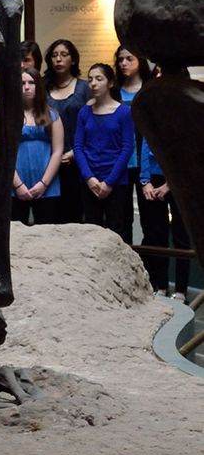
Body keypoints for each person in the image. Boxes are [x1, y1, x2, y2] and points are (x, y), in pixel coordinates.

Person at [74, 63, 134, 237]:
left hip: (115, 181)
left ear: (110, 83)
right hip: (89, 180)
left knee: (116, 230)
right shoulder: (84, 112)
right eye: (90, 79)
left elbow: (127, 148)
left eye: (99, 79)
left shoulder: (124, 112)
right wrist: (89, 178)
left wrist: (109, 182)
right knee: (91, 231)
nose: (93, 83)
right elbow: (78, 147)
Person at [139, 137, 191, 302]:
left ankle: (181, 291)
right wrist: (145, 181)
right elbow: (145, 145)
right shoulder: (153, 115)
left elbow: (187, 152)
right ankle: (162, 286)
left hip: (179, 179)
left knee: (181, 237)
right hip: (153, 178)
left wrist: (170, 184)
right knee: (157, 236)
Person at [43, 39, 90, 224]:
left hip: (77, 159)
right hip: (47, 160)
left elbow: (91, 125)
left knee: (74, 214)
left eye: (64, 55)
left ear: (73, 59)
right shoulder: (42, 87)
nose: (58, 59)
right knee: (49, 216)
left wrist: (73, 153)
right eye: (54, 56)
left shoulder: (85, 88)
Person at [11, 68, 64, 225]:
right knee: (16, 235)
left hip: (47, 185)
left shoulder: (52, 115)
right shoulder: (8, 116)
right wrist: (18, 185)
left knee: (47, 233)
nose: (27, 87)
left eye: (31, 83)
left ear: (38, 86)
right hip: (16, 185)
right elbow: (4, 154)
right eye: (22, 83)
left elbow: (58, 151)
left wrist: (43, 184)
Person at [114, 44, 152, 244]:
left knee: (151, 220)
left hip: (147, 163)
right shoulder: (114, 93)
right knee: (122, 218)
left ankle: (153, 272)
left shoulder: (150, 90)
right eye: (120, 59)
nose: (123, 63)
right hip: (120, 162)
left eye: (129, 58)